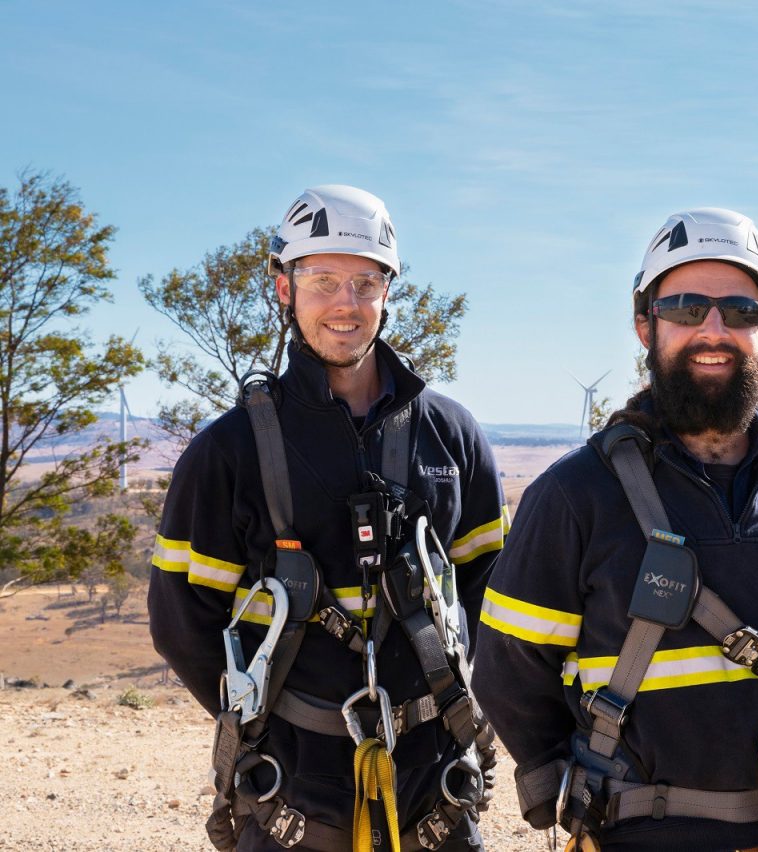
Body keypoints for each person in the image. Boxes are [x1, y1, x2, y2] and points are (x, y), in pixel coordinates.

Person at [472, 208, 758, 851]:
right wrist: (582, 773)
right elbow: (508, 667)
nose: (714, 331)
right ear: (645, 325)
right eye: (688, 308)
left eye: (741, 311)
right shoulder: (577, 494)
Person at [150, 185, 505, 851]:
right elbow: (182, 623)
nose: (346, 302)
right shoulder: (228, 454)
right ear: (284, 290)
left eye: (365, 281)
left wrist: (443, 704)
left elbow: (494, 592)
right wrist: (264, 718)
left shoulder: (451, 437)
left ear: (388, 292)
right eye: (322, 280)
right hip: (288, 791)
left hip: (436, 789)